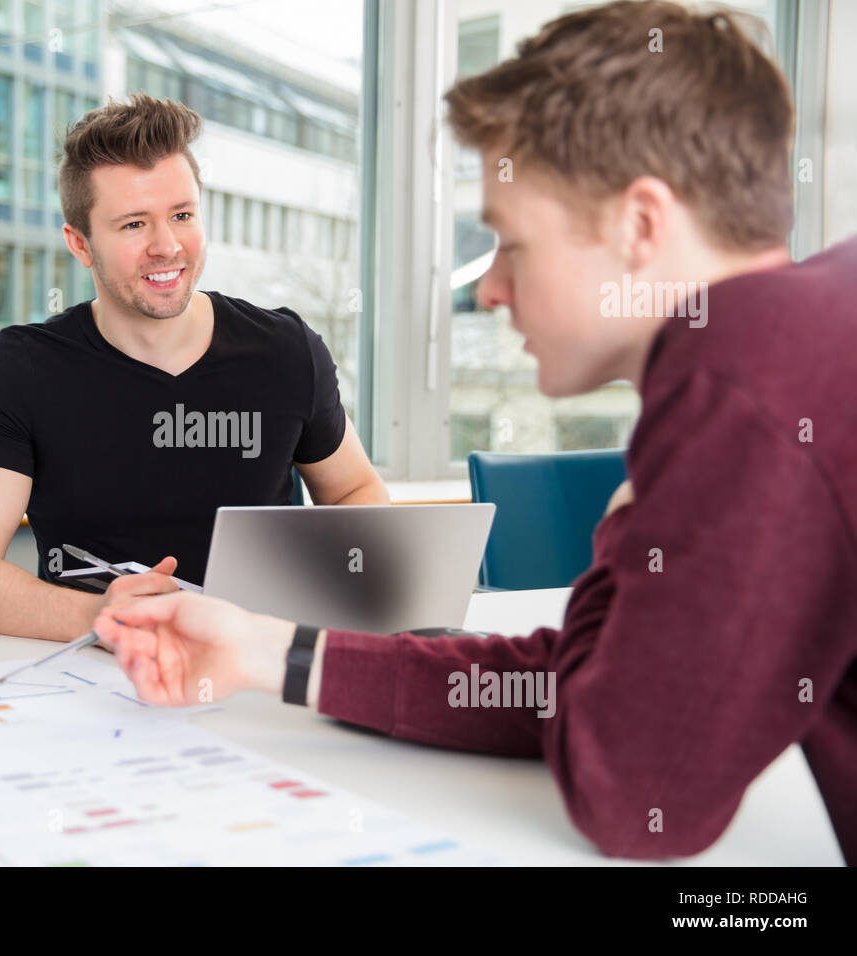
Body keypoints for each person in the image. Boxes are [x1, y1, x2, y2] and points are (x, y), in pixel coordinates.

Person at [93, 1, 857, 864]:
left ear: (641, 226)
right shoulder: (807, 332)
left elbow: (634, 793)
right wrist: (266, 648)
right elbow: (577, 684)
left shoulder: (743, 391)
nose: (489, 288)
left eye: (511, 242)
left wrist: (629, 516)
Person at [0, 94, 387, 642]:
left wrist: (324, 575)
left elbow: (355, 490)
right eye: (132, 225)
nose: (166, 246)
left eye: (182, 215)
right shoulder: (23, 367)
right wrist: (98, 618)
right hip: (94, 675)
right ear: (80, 243)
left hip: (255, 660)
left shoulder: (287, 350)